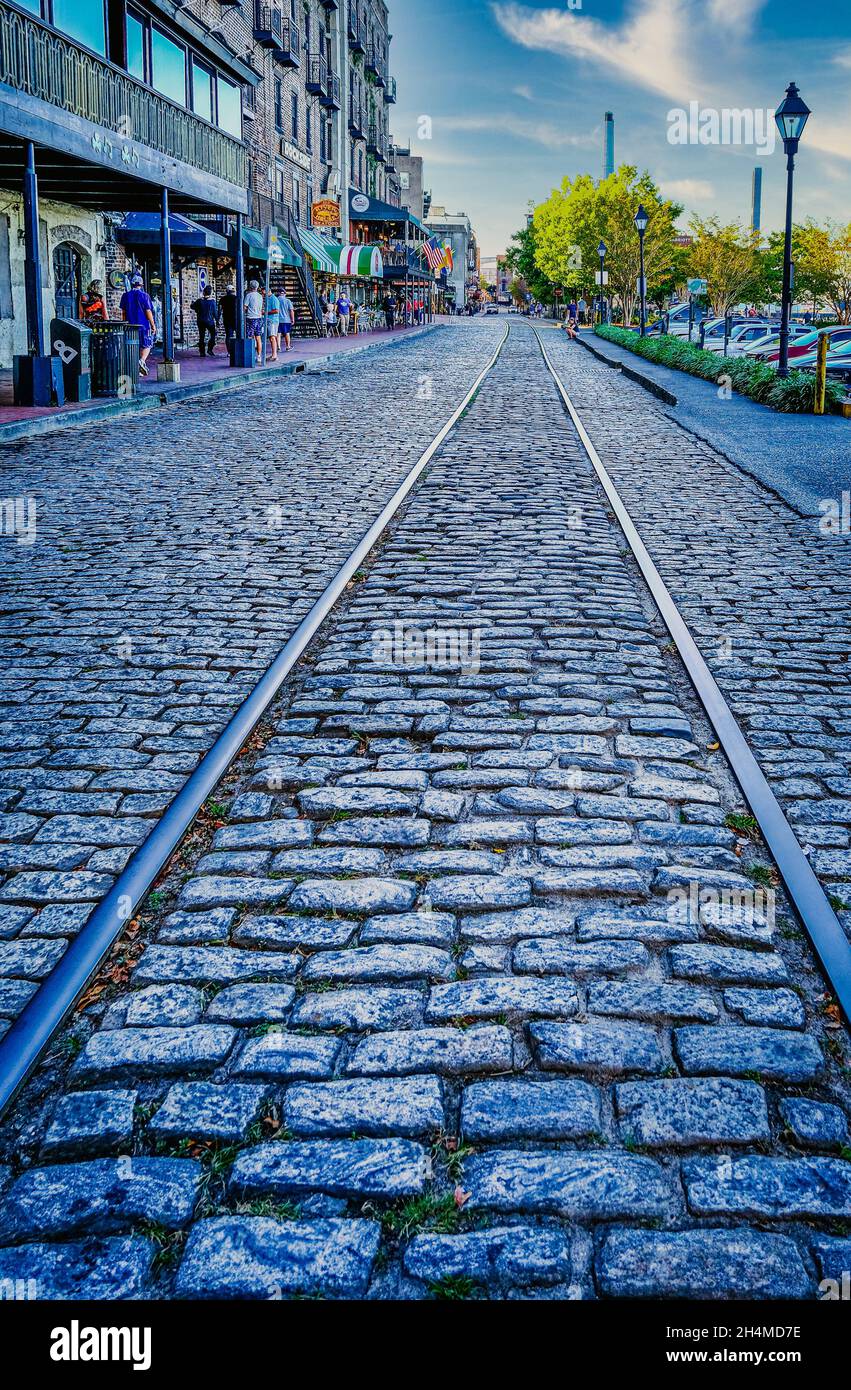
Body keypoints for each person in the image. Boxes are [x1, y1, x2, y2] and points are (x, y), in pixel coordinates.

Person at [119, 272, 156, 376]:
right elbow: (148, 311)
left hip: (130, 325)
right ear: (141, 285)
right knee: (147, 344)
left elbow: (124, 312)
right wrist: (153, 324)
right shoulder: (145, 296)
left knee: (133, 345)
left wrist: (125, 322)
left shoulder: (125, 295)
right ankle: (142, 361)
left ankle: (136, 368)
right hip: (144, 325)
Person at [190, 284, 218, 356]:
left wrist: (193, 304)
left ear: (203, 292)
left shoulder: (199, 301)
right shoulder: (212, 302)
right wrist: (217, 320)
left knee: (201, 336)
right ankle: (210, 349)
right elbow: (215, 312)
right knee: (213, 335)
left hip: (200, 321)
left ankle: (202, 352)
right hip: (210, 321)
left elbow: (192, 306)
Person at [244, 279, 264, 363]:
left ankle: (251, 355)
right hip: (259, 317)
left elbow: (245, 307)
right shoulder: (260, 296)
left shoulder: (249, 295)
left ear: (250, 286)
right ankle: (259, 356)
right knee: (258, 338)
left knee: (250, 337)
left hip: (251, 318)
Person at [265, 287, 280, 361]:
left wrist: (265, 313)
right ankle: (273, 354)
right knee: (271, 338)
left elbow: (276, 310)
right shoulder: (269, 298)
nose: (262, 294)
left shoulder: (274, 299)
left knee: (272, 337)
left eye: (263, 292)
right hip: (270, 320)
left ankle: (274, 355)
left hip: (273, 321)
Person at [278, 289, 294, 353]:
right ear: (284, 293)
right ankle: (288, 346)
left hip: (278, 320)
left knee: (278, 334)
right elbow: (291, 310)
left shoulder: (276, 300)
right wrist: (292, 319)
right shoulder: (287, 300)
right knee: (287, 333)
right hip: (286, 320)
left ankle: (278, 347)